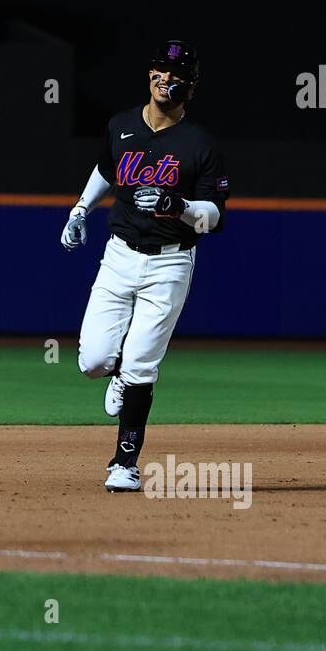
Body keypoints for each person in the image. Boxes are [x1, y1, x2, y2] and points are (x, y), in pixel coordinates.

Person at [60, 41, 229, 493]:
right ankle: (116, 375)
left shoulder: (199, 144)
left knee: (140, 366)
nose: (164, 77)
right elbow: (106, 169)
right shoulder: (121, 126)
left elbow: (214, 217)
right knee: (93, 361)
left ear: (189, 86)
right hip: (118, 255)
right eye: (158, 69)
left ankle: (125, 463)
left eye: (175, 72)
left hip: (170, 262)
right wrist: (80, 211)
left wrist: (178, 204)